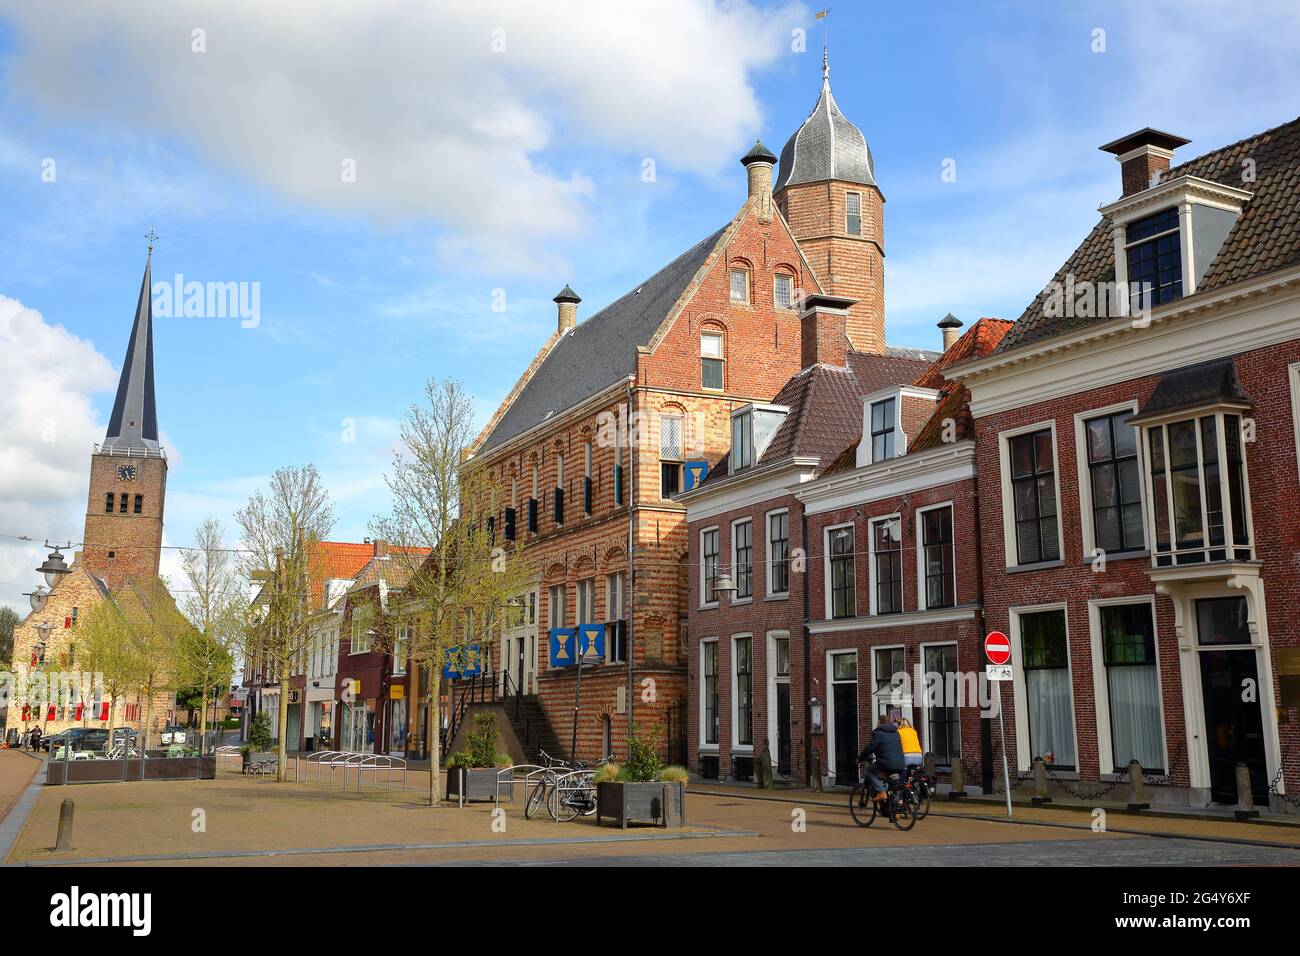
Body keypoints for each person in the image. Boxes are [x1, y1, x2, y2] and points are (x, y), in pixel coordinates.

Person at [858, 714, 905, 802]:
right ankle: (897, 807)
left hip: (886, 763)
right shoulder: (896, 733)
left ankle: (881, 791)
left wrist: (860, 759)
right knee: (894, 785)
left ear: (879, 722)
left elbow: (870, 748)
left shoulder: (878, 734)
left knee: (869, 771)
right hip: (900, 763)